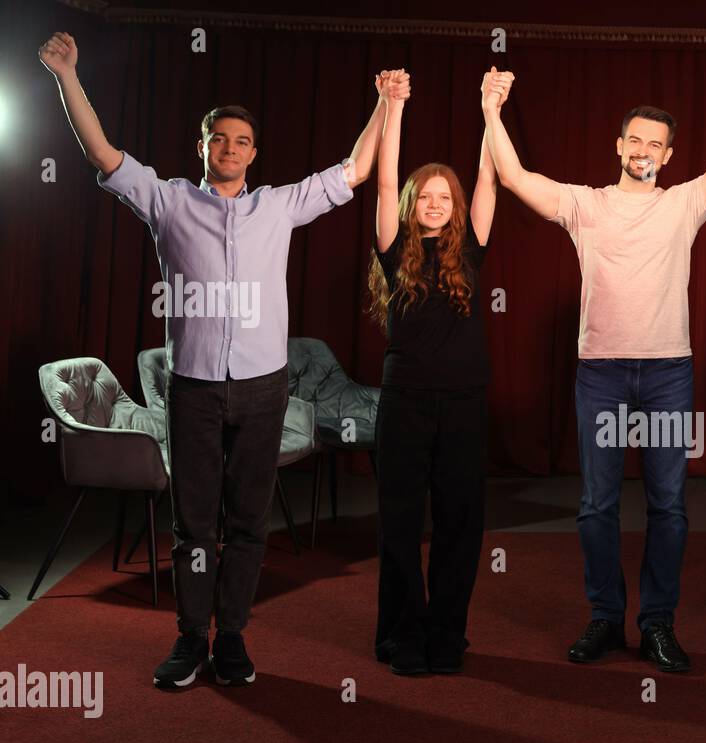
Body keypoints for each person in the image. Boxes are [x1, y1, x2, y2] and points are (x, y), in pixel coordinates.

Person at [40, 31, 388, 688]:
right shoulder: (167, 200)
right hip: (195, 390)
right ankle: (188, 639)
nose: (228, 148)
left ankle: (231, 636)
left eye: (240, 140)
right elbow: (101, 151)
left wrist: (383, 102)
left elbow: (356, 170)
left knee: (250, 521)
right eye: (217, 138)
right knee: (194, 524)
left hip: (262, 390)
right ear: (200, 147)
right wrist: (66, 75)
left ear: (255, 153)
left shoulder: (277, 206)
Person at [480, 63, 706, 673]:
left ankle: (657, 623)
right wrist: (492, 110)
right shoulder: (585, 205)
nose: (643, 151)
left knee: (669, 505)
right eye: (635, 140)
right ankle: (605, 618)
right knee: (597, 504)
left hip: (666, 374)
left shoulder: (684, 203)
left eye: (655, 144)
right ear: (619, 146)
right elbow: (512, 175)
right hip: (601, 373)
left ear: (668, 154)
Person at [366, 69, 508, 676]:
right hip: (405, 403)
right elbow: (385, 174)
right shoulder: (395, 246)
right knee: (399, 520)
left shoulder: (472, 247)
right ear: (410, 203)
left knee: (460, 522)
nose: (433, 202)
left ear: (454, 209)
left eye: (442, 197)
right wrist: (391, 107)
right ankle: (403, 633)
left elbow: (487, 174)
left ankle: (448, 631)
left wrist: (488, 109)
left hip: (464, 403)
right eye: (425, 195)